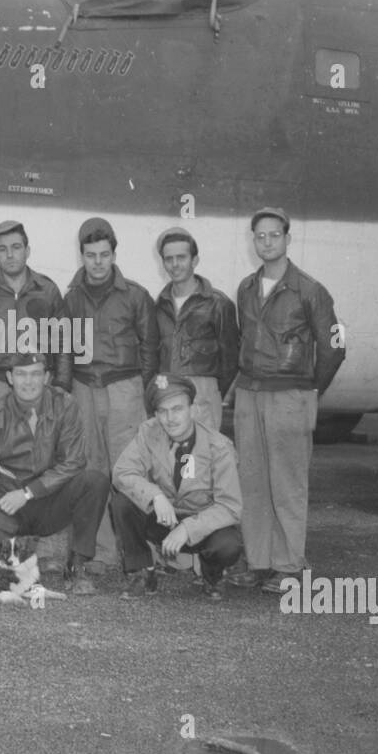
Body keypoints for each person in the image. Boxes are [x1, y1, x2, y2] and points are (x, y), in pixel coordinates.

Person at [233, 206, 345, 593]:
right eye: (260, 236)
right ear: (254, 241)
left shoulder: (310, 291)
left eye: (274, 235)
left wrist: (310, 389)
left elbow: (335, 347)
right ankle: (258, 562)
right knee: (253, 482)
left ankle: (289, 565)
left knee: (288, 483)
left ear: (287, 238)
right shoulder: (246, 288)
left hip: (289, 395)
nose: (266, 242)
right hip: (250, 394)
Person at [0, 352, 109, 596]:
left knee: (94, 482)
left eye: (35, 374)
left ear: (47, 377)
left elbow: (74, 461)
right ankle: (15, 564)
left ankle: (77, 564)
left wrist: (29, 492)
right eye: (21, 374)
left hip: (49, 497)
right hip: (7, 498)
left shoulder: (65, 405)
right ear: (10, 377)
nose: (28, 382)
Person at [61, 217, 159, 571]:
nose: (98, 262)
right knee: (92, 472)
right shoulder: (70, 298)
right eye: (91, 255)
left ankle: (142, 553)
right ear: (82, 256)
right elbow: (64, 351)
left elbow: (150, 350)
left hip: (125, 388)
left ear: (114, 254)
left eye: (104, 254)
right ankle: (99, 553)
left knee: (130, 470)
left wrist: (145, 396)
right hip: (84, 387)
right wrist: (65, 392)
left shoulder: (136, 296)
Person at [111, 374, 243, 601]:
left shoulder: (218, 447)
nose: (170, 418)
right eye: (162, 411)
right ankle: (142, 571)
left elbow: (230, 507)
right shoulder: (149, 433)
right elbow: (121, 472)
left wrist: (188, 529)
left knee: (228, 544)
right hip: (164, 518)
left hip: (201, 524)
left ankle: (212, 576)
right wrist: (155, 496)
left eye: (177, 409)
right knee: (122, 502)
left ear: (193, 409)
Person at [0, 220, 68, 425]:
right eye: (2, 249)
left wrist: (60, 385)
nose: (9, 255)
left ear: (27, 250)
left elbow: (63, 343)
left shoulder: (47, 290)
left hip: (36, 383)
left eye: (16, 247)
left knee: (37, 448)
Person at [153, 227, 239, 432]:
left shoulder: (218, 304)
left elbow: (231, 360)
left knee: (202, 459)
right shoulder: (159, 306)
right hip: (168, 394)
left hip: (203, 398)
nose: (175, 265)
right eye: (168, 259)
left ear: (195, 260)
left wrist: (207, 392)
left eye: (181, 257)